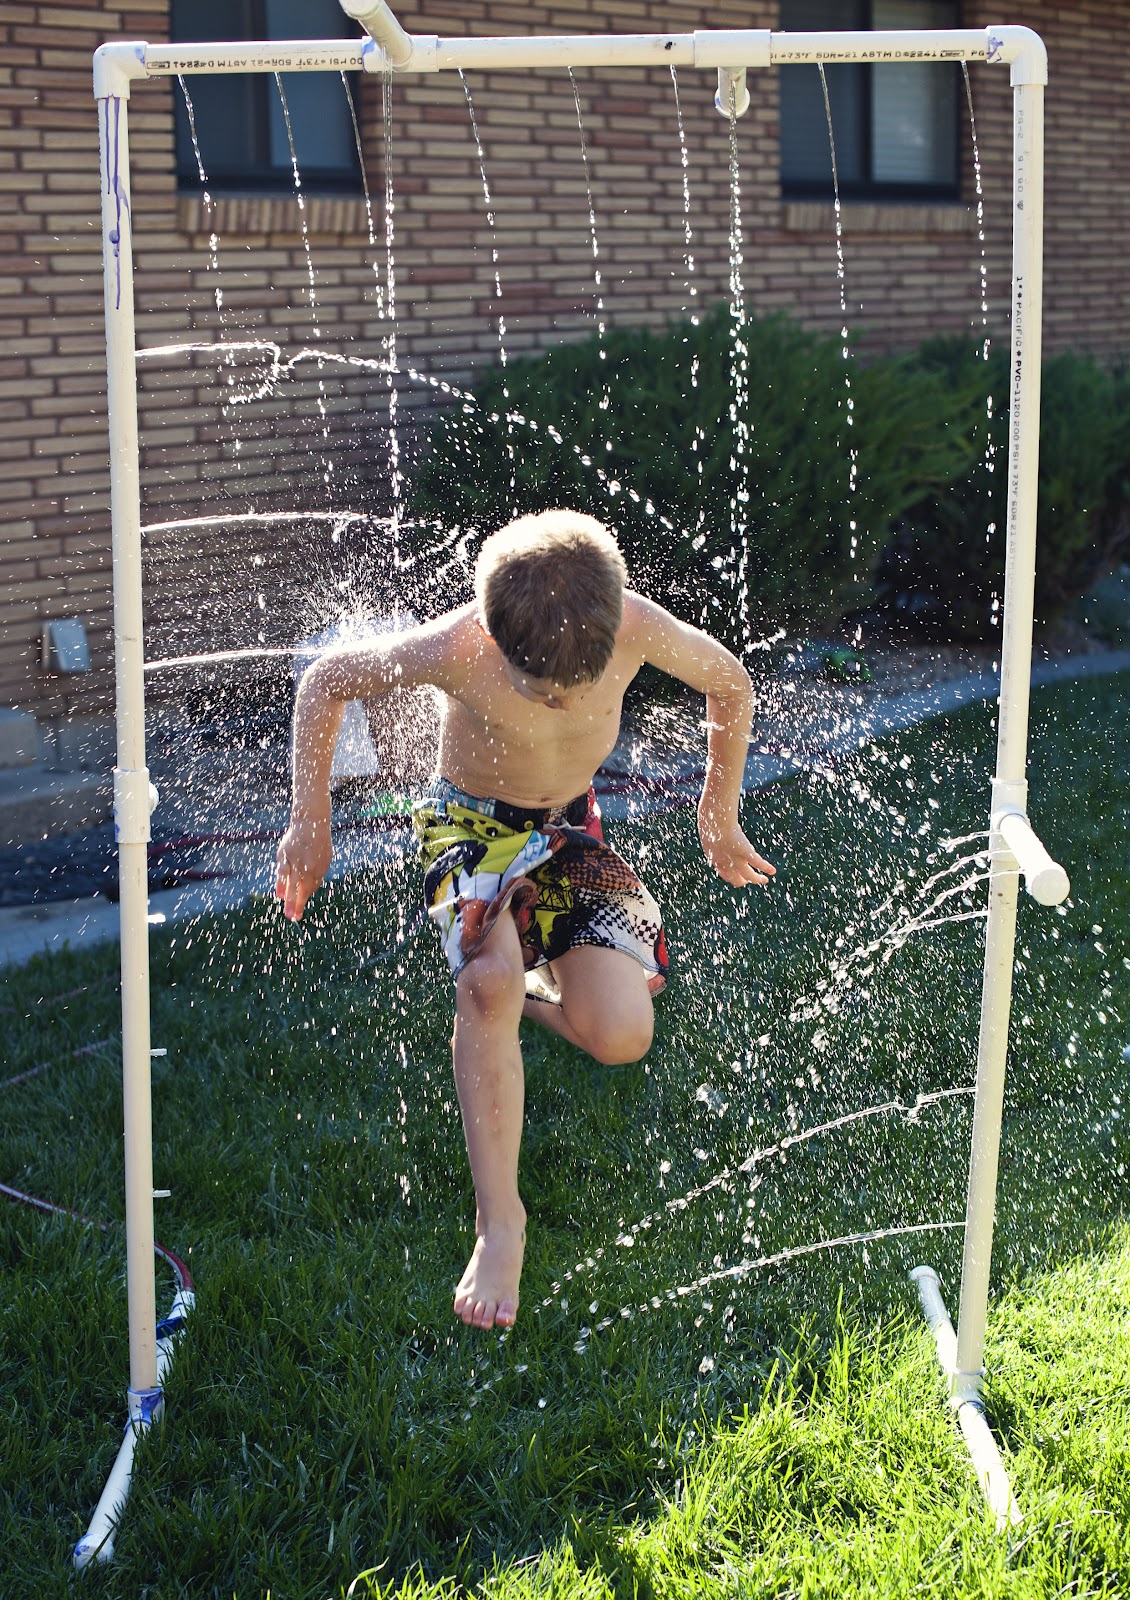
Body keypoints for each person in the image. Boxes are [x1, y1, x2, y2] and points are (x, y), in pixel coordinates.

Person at [275, 510, 775, 1332]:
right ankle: (500, 1220)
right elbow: (326, 681)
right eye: (538, 686)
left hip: (567, 828)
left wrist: (717, 815)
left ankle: (523, 1007)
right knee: (487, 982)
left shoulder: (638, 627)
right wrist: (311, 823)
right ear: (492, 634)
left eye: (573, 690)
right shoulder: (457, 646)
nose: (557, 700)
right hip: (469, 825)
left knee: (621, 1037)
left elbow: (731, 682)